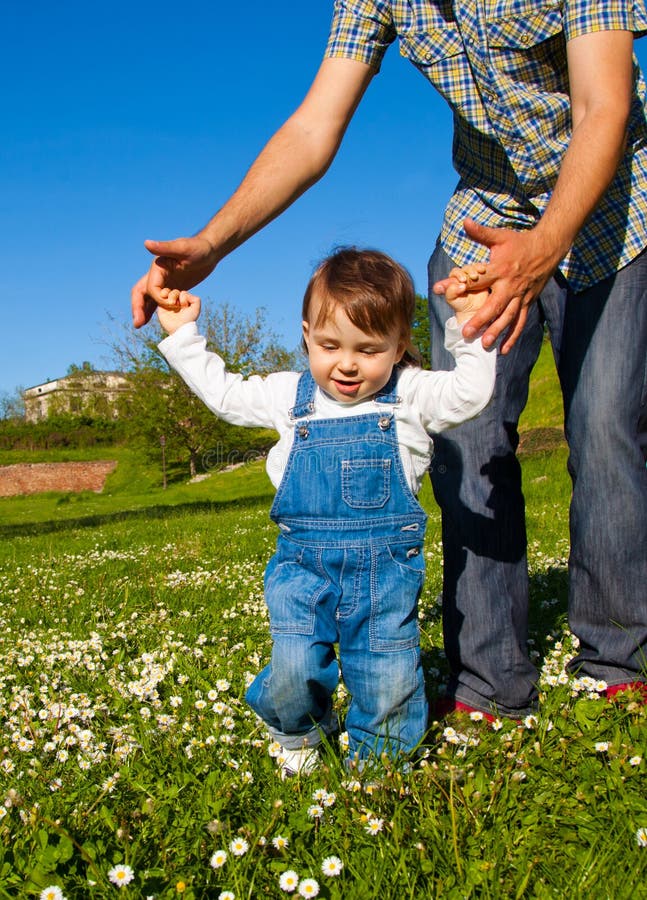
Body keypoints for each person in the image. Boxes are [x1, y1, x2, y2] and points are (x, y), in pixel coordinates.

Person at [132, 3, 647, 718]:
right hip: (484, 211)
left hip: (613, 204)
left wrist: (545, 244)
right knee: (465, 440)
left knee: (606, 428)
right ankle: (488, 679)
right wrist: (213, 244)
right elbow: (314, 128)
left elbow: (602, 106)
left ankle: (614, 661)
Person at [154, 247, 495, 775]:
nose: (348, 363)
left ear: (400, 345)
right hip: (302, 566)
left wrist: (466, 323)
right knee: (293, 665)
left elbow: (471, 392)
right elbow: (223, 394)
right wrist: (181, 335)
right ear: (307, 334)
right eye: (330, 344)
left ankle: (377, 770)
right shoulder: (289, 395)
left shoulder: (410, 396)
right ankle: (300, 733)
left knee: (385, 670)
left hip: (385, 573)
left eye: (370, 348)